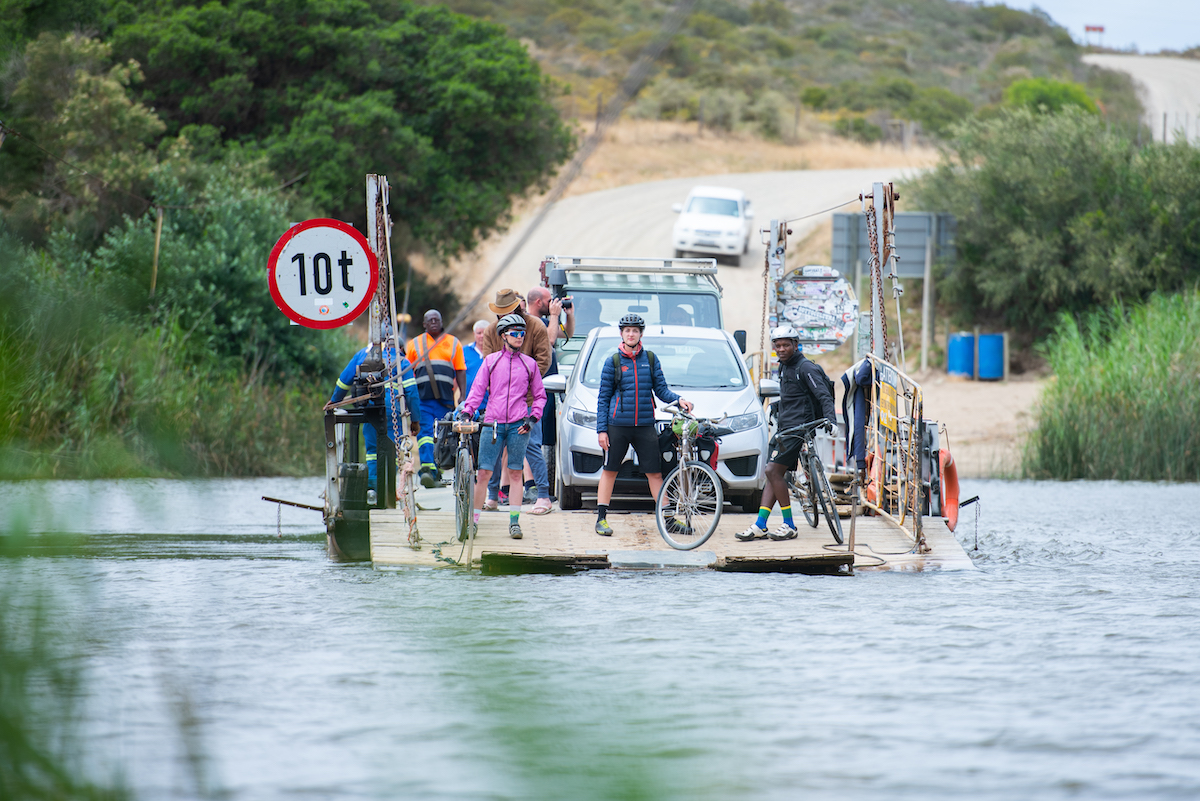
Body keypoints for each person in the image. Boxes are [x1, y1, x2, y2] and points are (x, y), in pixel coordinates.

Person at [593, 313, 693, 537]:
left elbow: (661, 389)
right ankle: (601, 519)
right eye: (627, 330)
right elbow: (603, 398)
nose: (631, 334)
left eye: (635, 330)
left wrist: (678, 400)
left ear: (640, 334)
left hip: (645, 425)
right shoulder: (614, 361)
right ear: (621, 334)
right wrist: (601, 430)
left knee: (655, 474)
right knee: (610, 471)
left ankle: (668, 520)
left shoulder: (650, 358)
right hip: (617, 426)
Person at [736, 325, 838, 542]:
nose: (781, 349)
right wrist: (777, 407)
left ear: (795, 344)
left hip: (799, 428)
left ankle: (789, 525)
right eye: (777, 345)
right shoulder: (784, 367)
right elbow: (794, 396)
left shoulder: (805, 368)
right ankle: (761, 525)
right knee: (771, 475)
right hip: (785, 426)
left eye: (785, 345)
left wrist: (832, 420)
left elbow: (823, 396)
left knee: (772, 471)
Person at [460, 313, 546, 540]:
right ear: (503, 337)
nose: (520, 337)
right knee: (484, 473)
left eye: (522, 333)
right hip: (493, 424)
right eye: (515, 333)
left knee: (516, 473)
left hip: (519, 425)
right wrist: (468, 412)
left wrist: (533, 418)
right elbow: (478, 390)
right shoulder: (491, 361)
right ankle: (474, 521)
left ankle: (515, 522)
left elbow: (540, 396)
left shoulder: (530, 364)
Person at [479, 288, 554, 514]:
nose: (502, 318)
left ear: (518, 309)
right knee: (495, 446)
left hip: (528, 400)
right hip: (499, 402)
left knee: (531, 446)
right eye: (499, 314)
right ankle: (491, 497)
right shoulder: (492, 331)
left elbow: (544, 361)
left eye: (506, 312)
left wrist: (523, 383)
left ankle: (543, 496)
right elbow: (488, 365)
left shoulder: (537, 327)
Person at [325, 336, 421, 504]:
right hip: (392, 412)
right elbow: (412, 392)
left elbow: (344, 380)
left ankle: (373, 491)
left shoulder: (363, 355)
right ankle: (389, 493)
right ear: (399, 347)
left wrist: (335, 400)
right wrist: (415, 420)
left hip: (368, 409)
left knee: (372, 451)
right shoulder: (402, 362)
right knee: (390, 450)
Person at [405, 309, 467, 488]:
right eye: (429, 320)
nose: (433, 322)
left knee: (441, 436)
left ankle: (437, 470)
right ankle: (427, 470)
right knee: (425, 434)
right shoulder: (414, 344)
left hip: (445, 400)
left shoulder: (453, 342)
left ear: (442, 322)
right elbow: (406, 371)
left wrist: (462, 394)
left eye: (436, 319)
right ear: (424, 324)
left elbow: (460, 370)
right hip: (422, 399)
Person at [526, 286, 575, 501]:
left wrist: (568, 315)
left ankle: (538, 484)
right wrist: (555, 316)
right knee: (533, 437)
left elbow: (567, 334)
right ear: (538, 302)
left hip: (547, 386)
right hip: (534, 388)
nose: (552, 304)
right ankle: (531, 485)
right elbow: (550, 341)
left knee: (543, 437)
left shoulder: (546, 321)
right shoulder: (527, 322)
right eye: (549, 301)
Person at [463, 319, 489, 395]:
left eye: (485, 333)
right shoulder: (464, 351)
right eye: (479, 333)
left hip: (492, 403)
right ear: (474, 334)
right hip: (470, 402)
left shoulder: (496, 351)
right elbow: (456, 376)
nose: (482, 336)